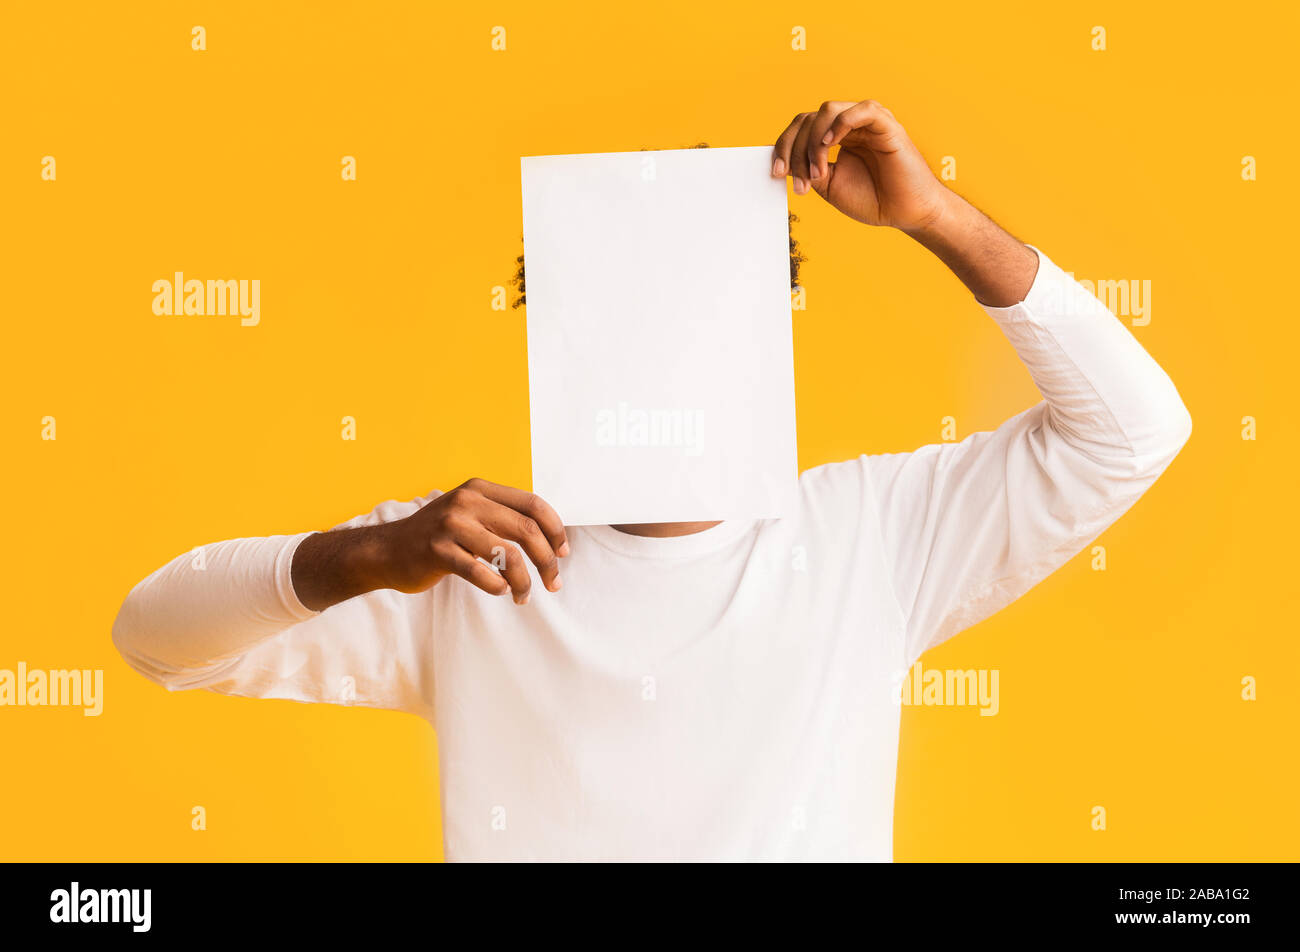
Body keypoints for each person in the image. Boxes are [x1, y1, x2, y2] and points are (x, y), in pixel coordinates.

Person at [112, 99, 1192, 861]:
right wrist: (367, 555)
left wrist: (937, 217)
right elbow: (152, 636)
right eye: (618, 312)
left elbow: (1133, 431)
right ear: (558, 337)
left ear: (762, 331)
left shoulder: (871, 533)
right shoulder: (467, 561)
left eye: (699, 312)